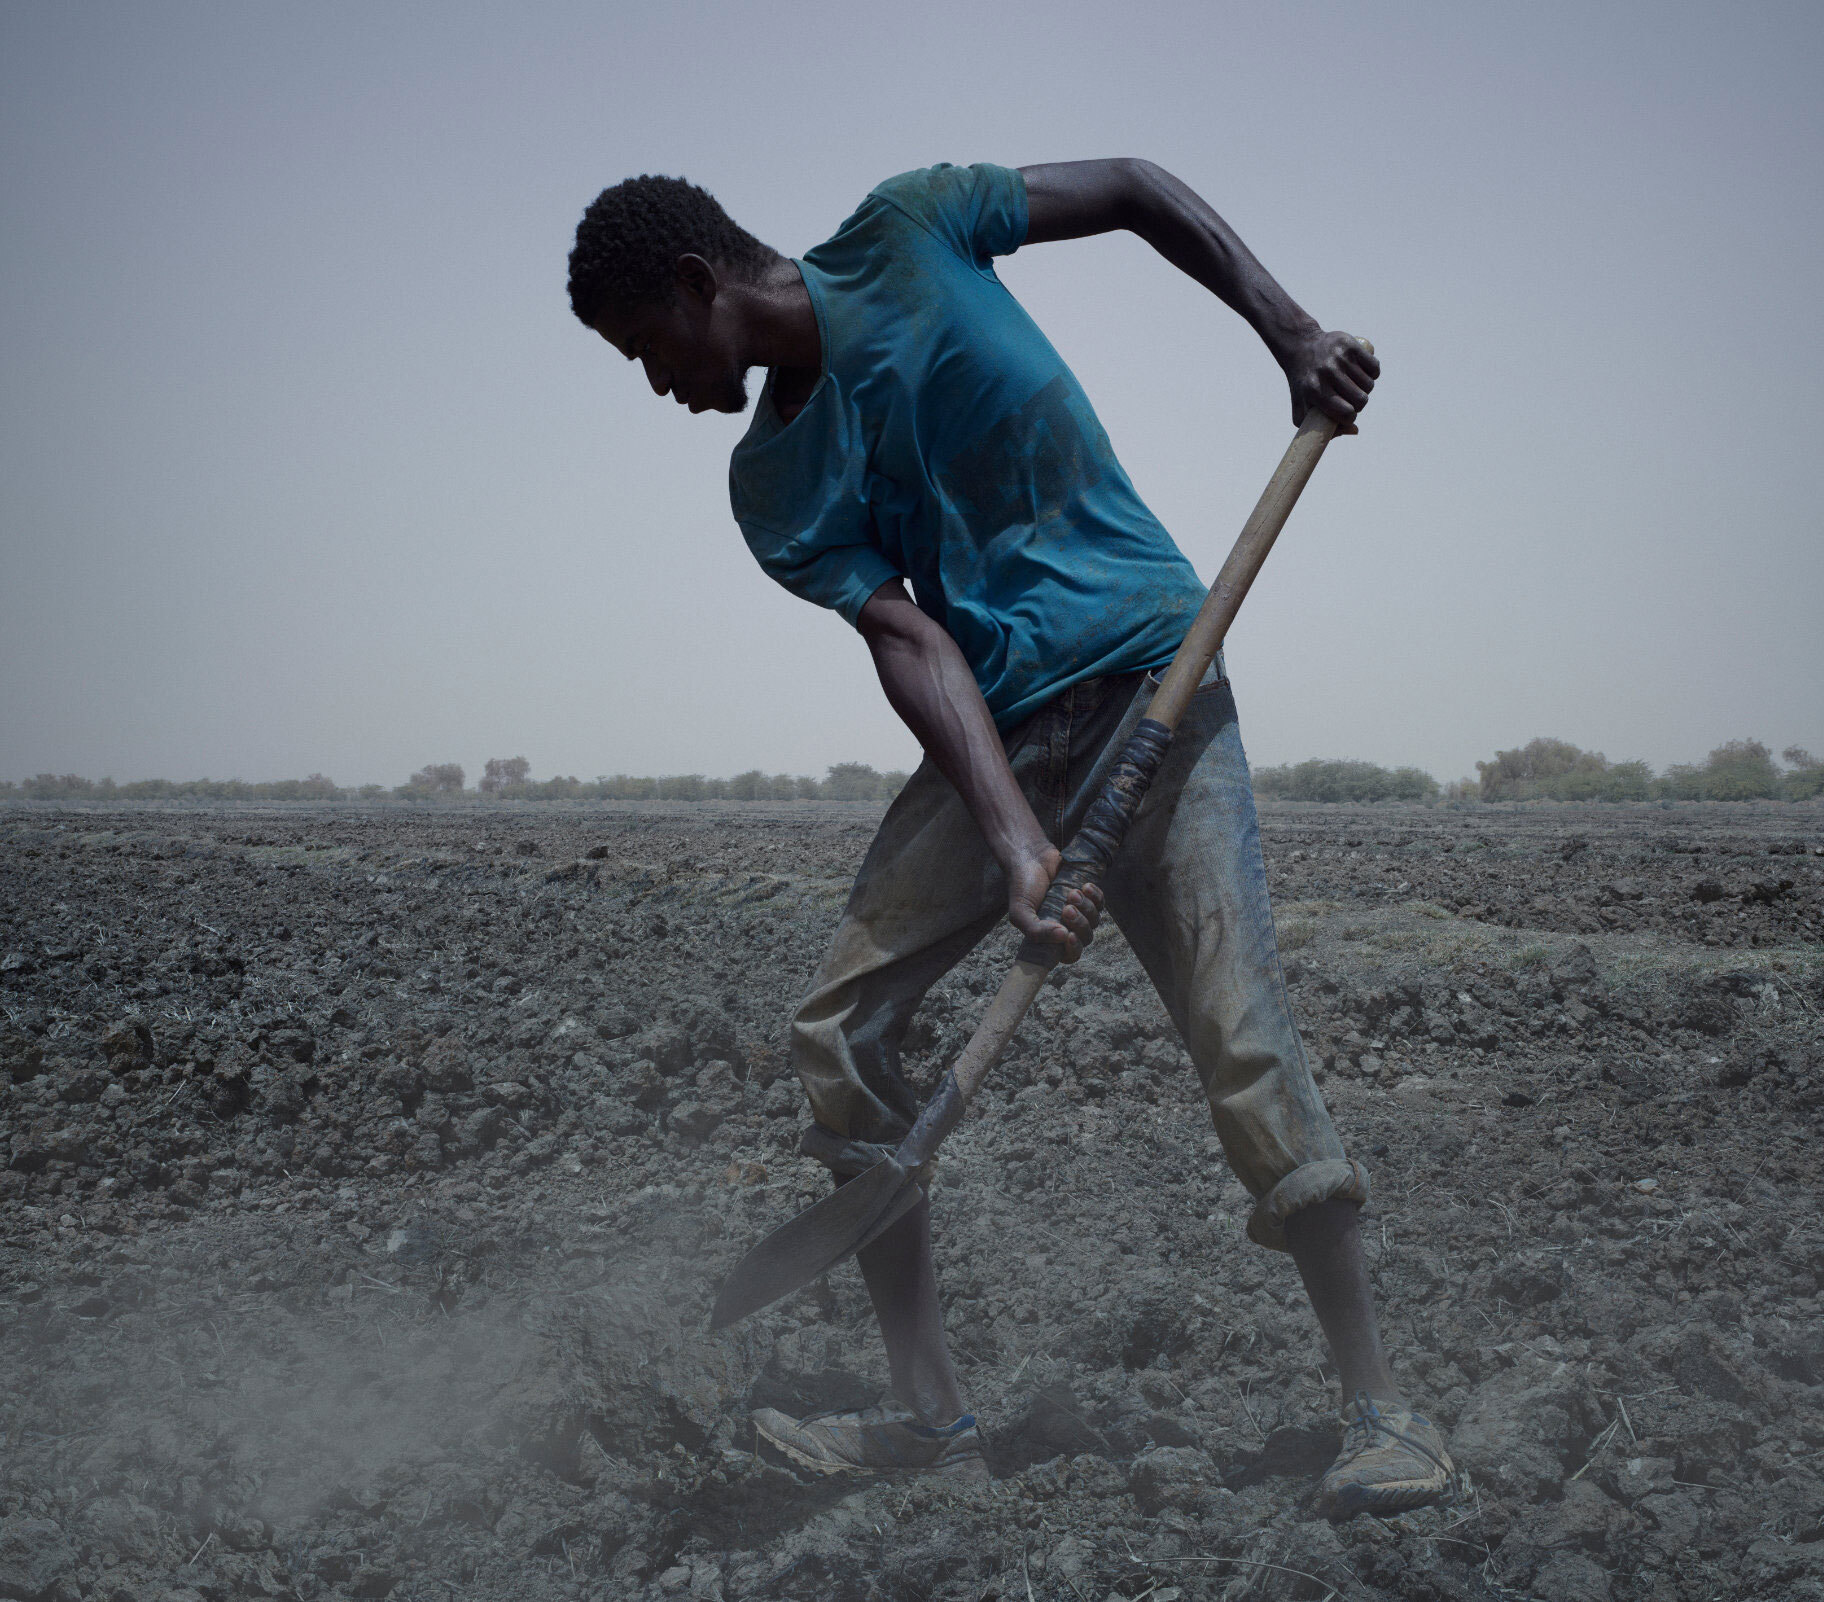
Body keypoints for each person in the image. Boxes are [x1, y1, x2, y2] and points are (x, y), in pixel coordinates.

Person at [566, 158, 1454, 1519]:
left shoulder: (914, 229)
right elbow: (913, 638)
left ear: (697, 286)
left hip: (1163, 678)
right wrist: (1013, 840)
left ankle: (1387, 1414)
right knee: (841, 1027)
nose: (655, 383)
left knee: (1242, 1031)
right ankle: (930, 1416)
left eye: (645, 346)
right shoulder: (770, 485)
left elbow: (1133, 191)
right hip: (1005, 736)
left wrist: (1289, 332)